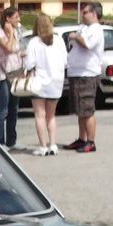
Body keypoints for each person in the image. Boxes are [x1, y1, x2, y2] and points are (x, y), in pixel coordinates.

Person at [22, 13, 67, 156]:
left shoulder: (34, 42)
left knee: (39, 115)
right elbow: (65, 61)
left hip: (39, 81)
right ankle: (53, 144)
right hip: (56, 81)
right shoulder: (59, 40)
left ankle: (42, 146)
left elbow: (30, 63)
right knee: (51, 115)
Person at [65, 2, 105, 153]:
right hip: (77, 72)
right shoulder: (83, 28)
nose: (83, 15)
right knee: (79, 109)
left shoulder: (96, 30)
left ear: (94, 13)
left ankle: (91, 141)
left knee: (87, 109)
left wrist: (76, 37)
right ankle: (81, 138)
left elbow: (87, 45)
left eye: (85, 12)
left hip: (87, 74)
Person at [0, 7, 23, 149]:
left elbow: (16, 50)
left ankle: (12, 141)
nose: (19, 20)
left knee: (14, 109)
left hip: (15, 73)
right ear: (8, 19)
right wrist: (10, 33)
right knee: (3, 110)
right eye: (16, 17)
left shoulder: (16, 32)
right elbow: (8, 48)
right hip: (3, 76)